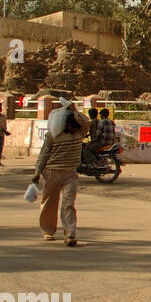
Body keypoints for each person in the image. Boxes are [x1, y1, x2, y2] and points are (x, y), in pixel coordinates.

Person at [33, 106, 90, 247]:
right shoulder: (53, 135)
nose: (74, 129)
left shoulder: (80, 133)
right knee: (49, 203)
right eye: (72, 127)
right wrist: (37, 172)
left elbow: (86, 122)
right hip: (52, 171)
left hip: (70, 173)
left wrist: (75, 110)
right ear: (66, 124)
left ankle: (70, 234)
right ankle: (47, 230)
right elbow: (44, 154)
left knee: (69, 204)